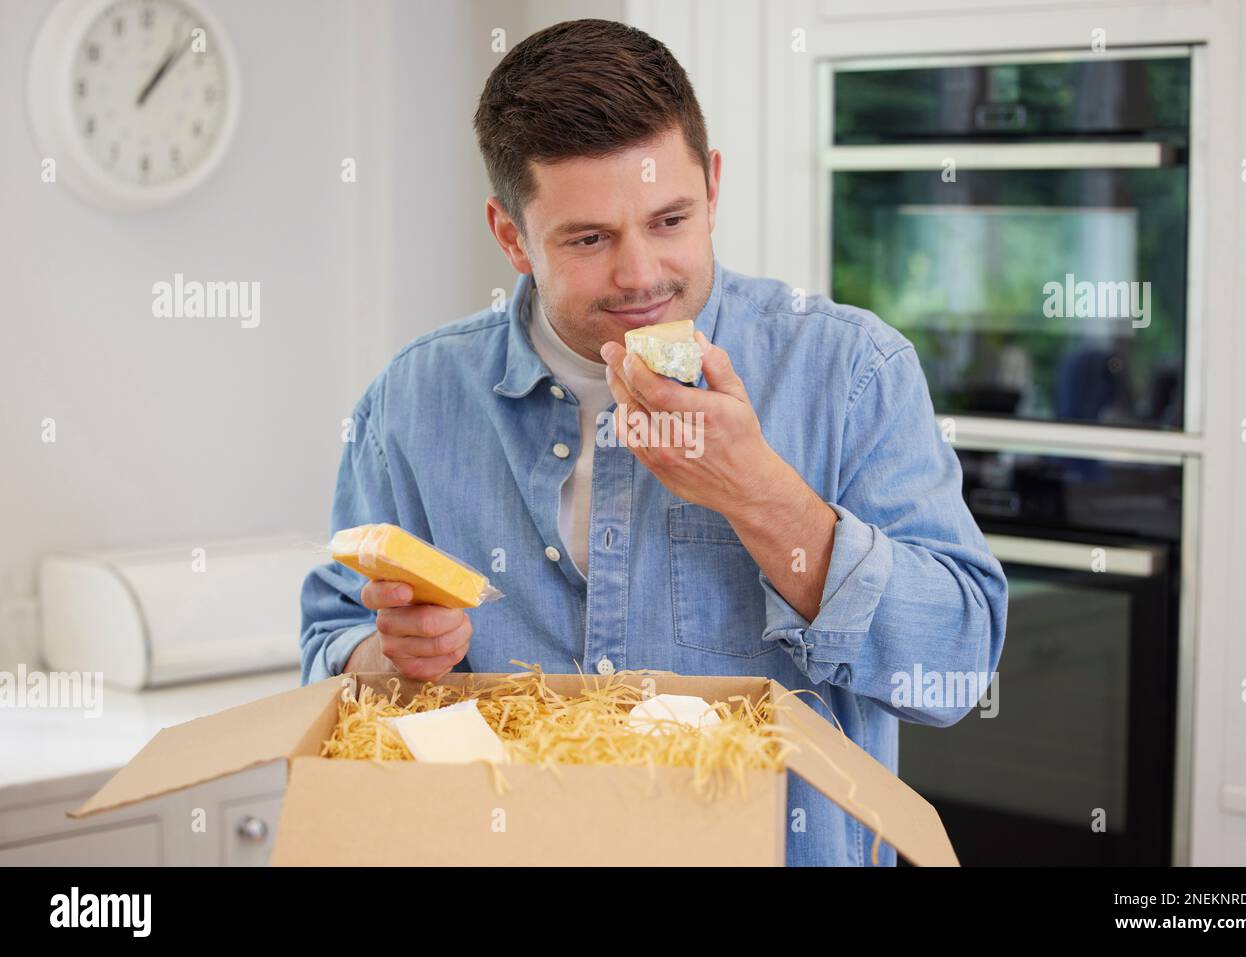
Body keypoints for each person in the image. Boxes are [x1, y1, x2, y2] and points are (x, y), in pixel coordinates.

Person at [300, 18, 1007, 867]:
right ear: (511, 236)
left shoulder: (852, 371)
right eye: (590, 238)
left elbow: (958, 670)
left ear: (712, 186)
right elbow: (329, 650)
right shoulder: (410, 404)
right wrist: (386, 654)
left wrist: (759, 493)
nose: (641, 274)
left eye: (671, 218)